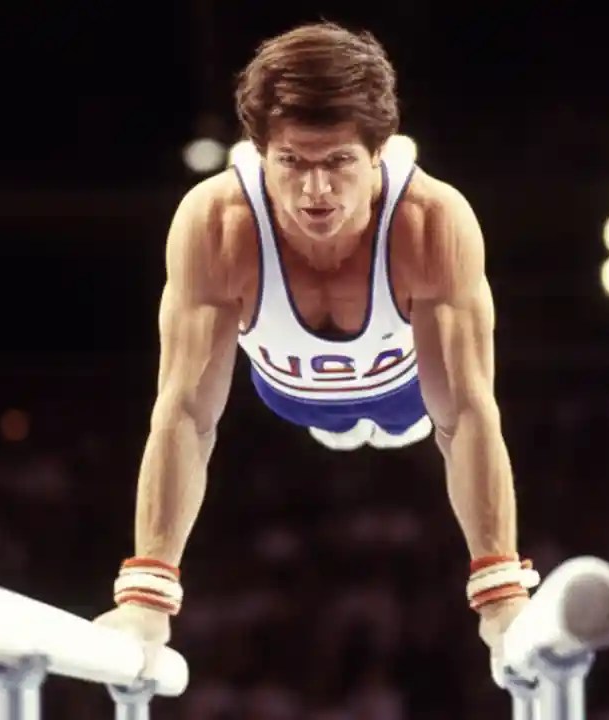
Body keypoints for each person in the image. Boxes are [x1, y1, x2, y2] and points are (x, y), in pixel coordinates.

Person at [95, 20, 538, 690]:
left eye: (337, 163)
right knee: (215, 406)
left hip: (407, 398)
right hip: (291, 398)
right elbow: (185, 414)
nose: (315, 194)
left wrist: (501, 595)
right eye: (292, 163)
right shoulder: (216, 225)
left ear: (379, 152)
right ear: (257, 150)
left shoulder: (431, 222)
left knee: (437, 411)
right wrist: (147, 597)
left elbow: (469, 416)